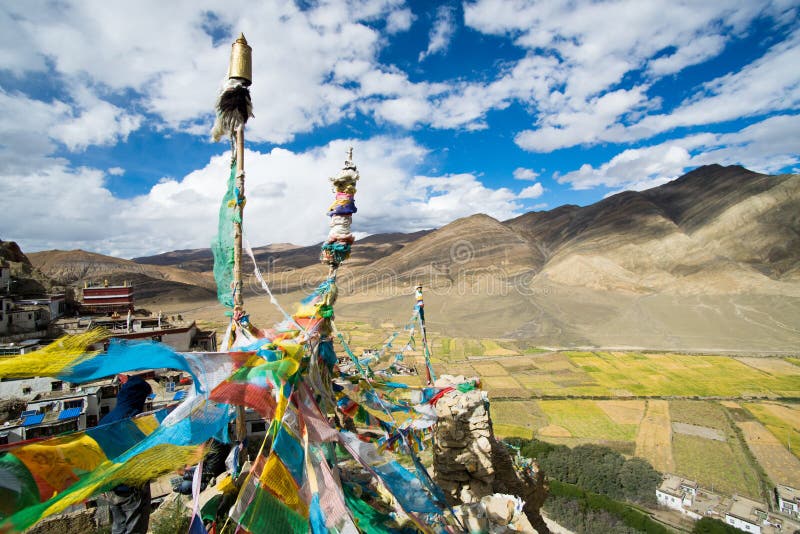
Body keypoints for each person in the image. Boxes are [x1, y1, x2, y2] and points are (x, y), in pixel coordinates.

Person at [101, 375, 153, 534]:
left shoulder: (105, 420)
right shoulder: (135, 422)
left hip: (111, 488)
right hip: (132, 489)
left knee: (118, 528)